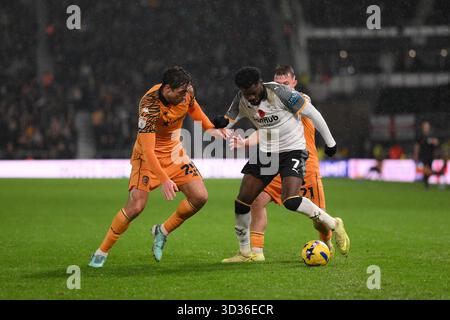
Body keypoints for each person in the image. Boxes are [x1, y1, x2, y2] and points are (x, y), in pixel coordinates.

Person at [89, 66, 229, 267]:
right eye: (180, 93)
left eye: (186, 92)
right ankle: (101, 252)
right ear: (167, 89)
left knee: (200, 197)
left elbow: (196, 112)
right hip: (147, 157)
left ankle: (161, 231)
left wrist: (214, 130)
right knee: (136, 206)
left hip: (174, 154)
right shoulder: (149, 105)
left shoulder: (187, 92)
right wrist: (165, 179)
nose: (184, 97)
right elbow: (148, 151)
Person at [217, 66, 350, 263]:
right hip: (267, 153)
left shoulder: (284, 94)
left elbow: (314, 114)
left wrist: (330, 143)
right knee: (243, 201)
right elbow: (229, 120)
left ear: (260, 84)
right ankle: (246, 252)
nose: (251, 98)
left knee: (291, 200)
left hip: (293, 151)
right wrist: (217, 123)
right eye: (247, 94)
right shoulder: (242, 98)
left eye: (253, 93)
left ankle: (333, 224)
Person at [413, 121, 439, 189]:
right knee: (425, 169)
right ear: (423, 128)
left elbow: (436, 143)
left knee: (429, 169)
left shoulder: (432, 135)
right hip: (423, 155)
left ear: (429, 127)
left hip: (430, 155)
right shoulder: (420, 136)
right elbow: (417, 145)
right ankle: (426, 183)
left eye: (427, 127)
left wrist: (433, 141)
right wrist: (416, 154)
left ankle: (430, 179)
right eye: (425, 127)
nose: (426, 128)